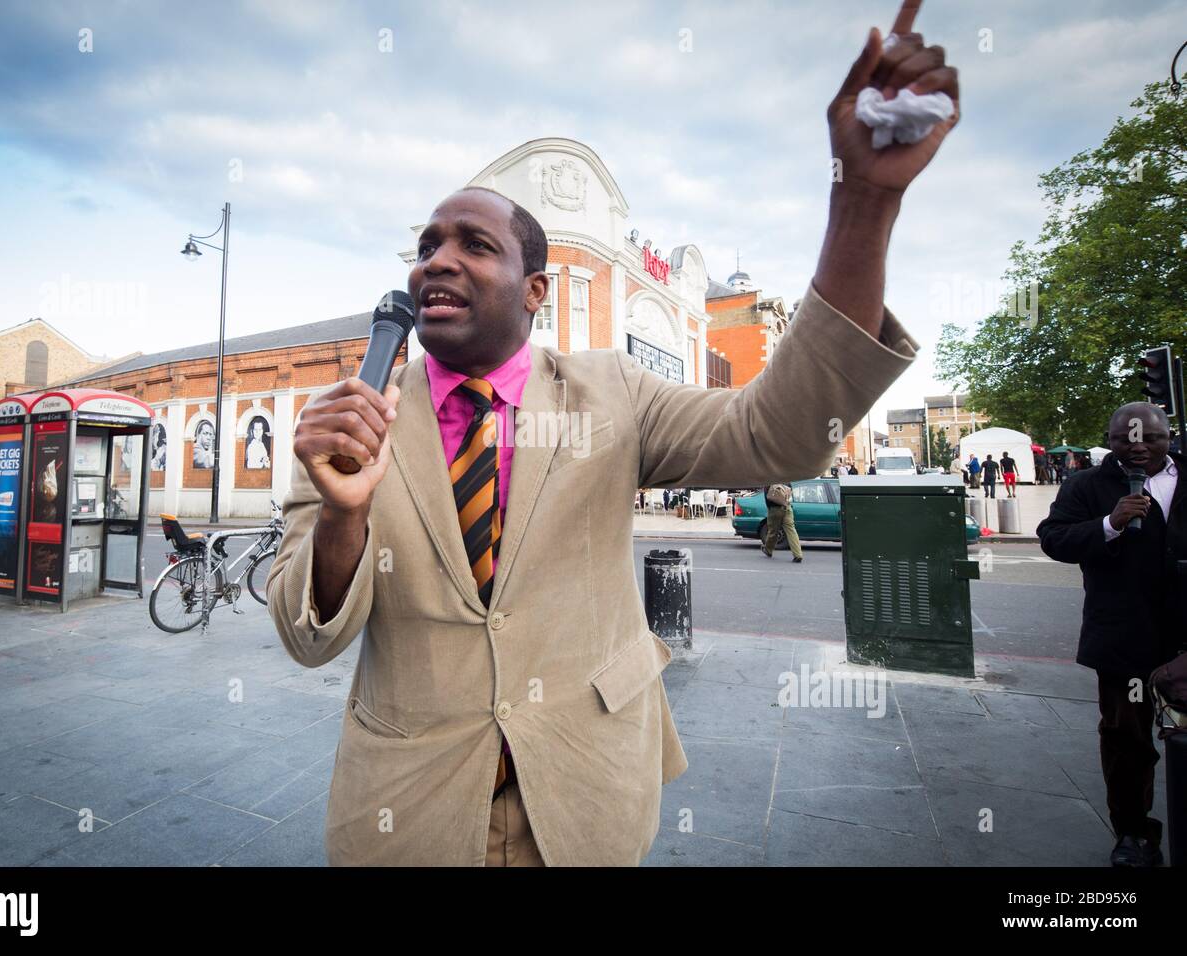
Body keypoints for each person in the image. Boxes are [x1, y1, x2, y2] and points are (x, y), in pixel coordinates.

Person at [268, 4, 947, 866]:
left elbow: (784, 435)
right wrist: (344, 516)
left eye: (473, 244)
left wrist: (864, 202)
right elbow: (306, 636)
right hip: (409, 812)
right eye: (427, 243)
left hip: (585, 795)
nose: (435, 259)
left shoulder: (611, 391)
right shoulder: (349, 421)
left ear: (536, 292)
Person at [1037, 402, 1185, 867]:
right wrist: (1109, 524)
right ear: (1111, 439)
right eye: (1125, 438)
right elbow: (1054, 539)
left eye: (1149, 437)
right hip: (1125, 641)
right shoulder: (1086, 486)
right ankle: (1134, 834)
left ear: (1169, 436)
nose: (1137, 445)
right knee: (1128, 742)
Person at [761, 481, 803, 563]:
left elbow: (767, 497)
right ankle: (798, 554)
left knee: (773, 531)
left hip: (774, 509)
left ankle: (768, 550)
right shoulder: (787, 479)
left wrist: (770, 508)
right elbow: (790, 493)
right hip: (787, 508)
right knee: (791, 531)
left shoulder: (770, 480)